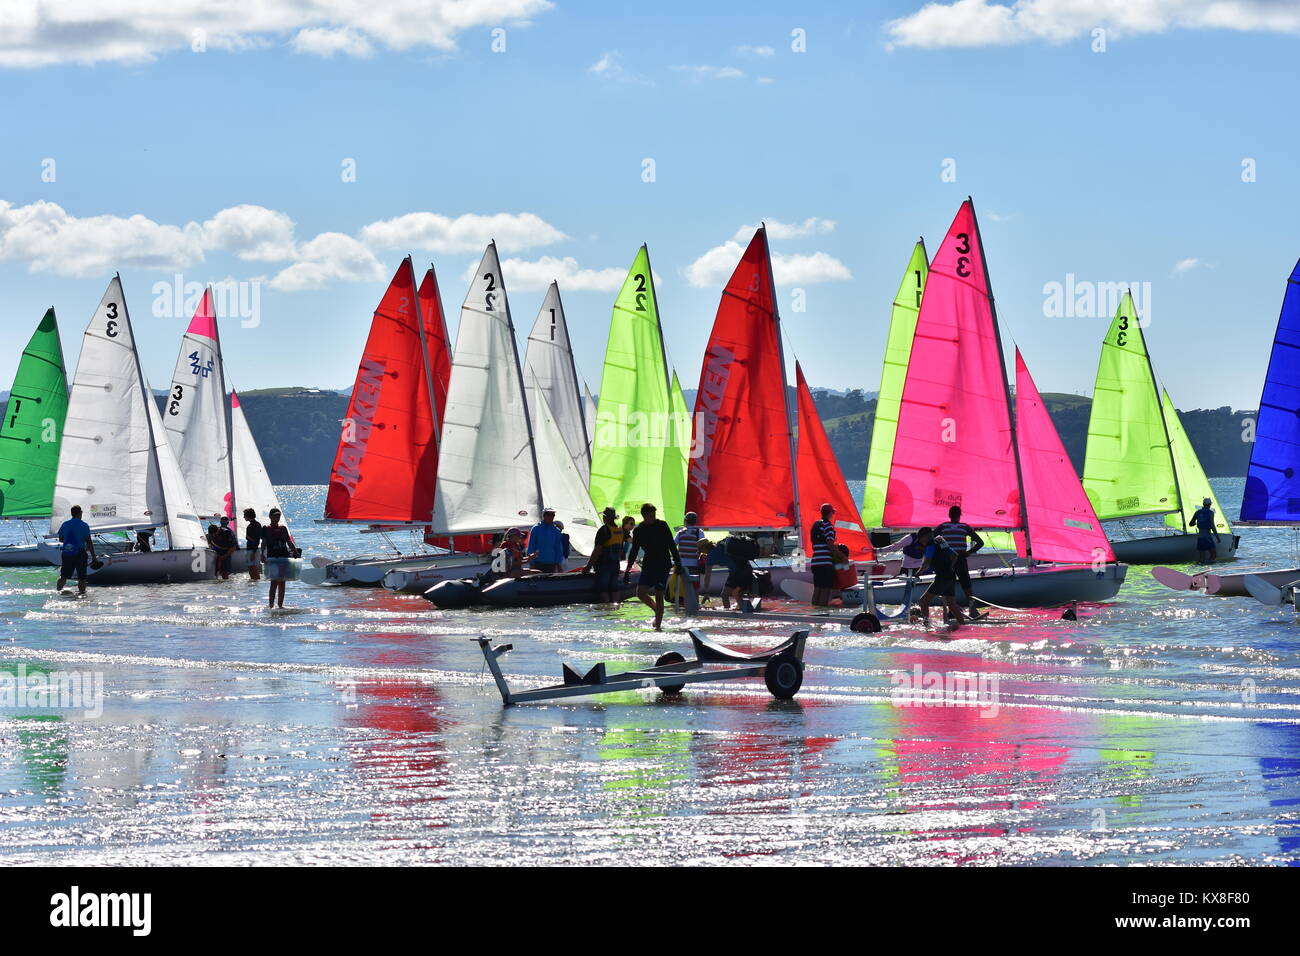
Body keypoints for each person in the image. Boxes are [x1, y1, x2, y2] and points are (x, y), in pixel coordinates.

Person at [623, 503, 682, 630]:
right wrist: (628, 569)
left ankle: (658, 627)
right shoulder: (639, 530)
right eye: (650, 516)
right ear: (644, 516)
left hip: (663, 563)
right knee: (640, 592)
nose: (653, 518)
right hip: (649, 563)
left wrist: (678, 563)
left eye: (654, 515)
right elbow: (634, 550)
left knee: (659, 594)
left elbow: (672, 545)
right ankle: (657, 610)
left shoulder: (662, 525)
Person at [934, 505, 985, 619]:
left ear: (949, 515)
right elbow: (980, 543)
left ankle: (951, 611)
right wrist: (969, 552)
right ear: (959, 515)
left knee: (948, 585)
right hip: (960, 558)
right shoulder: (964, 527)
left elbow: (933, 540)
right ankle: (973, 610)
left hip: (946, 559)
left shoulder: (942, 527)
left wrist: (941, 551)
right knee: (966, 585)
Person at [875, 526, 933, 614]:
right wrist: (878, 550)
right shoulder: (910, 538)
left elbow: (930, 558)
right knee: (903, 588)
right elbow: (895, 546)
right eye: (927, 537)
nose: (928, 540)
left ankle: (921, 607)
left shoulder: (930, 542)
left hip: (921, 569)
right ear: (921, 536)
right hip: (906, 569)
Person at [917, 534, 965, 632]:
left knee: (923, 601)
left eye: (921, 539)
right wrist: (949, 567)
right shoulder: (941, 543)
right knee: (951, 605)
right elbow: (955, 555)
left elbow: (927, 562)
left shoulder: (930, 546)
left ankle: (927, 627)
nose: (921, 542)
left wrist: (918, 573)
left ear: (924, 537)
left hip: (942, 578)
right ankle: (964, 626)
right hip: (951, 576)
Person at [55, 505, 98, 596]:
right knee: (82, 578)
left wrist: (70, 543)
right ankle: (82, 595)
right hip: (79, 553)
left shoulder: (65, 524)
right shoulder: (84, 525)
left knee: (64, 576)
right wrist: (94, 556)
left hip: (67, 553)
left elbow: (61, 538)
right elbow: (89, 541)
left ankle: (57, 592)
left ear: (71, 513)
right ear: (80, 513)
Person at [584, 508, 625, 603]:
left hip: (604, 566)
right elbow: (621, 550)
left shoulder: (604, 530)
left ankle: (606, 610)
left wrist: (588, 566)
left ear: (605, 518)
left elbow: (597, 550)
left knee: (603, 589)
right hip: (615, 565)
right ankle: (615, 608)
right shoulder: (620, 531)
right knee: (614, 588)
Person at [260, 508, 297, 609]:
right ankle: (271, 605)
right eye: (275, 516)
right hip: (273, 557)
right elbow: (264, 542)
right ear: (270, 516)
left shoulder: (283, 528)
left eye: (278, 516)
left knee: (282, 582)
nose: (277, 518)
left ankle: (280, 605)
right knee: (274, 582)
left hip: (284, 557)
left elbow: (289, 542)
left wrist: (295, 552)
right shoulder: (266, 528)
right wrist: (262, 554)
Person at [809, 502, 840, 606]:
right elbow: (830, 544)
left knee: (817, 589)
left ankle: (814, 612)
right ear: (830, 513)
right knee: (825, 589)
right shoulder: (828, 526)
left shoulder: (815, 525)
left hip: (815, 563)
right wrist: (842, 557)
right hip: (825, 563)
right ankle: (822, 612)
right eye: (832, 513)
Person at [673, 511, 706, 606]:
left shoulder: (680, 533)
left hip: (682, 565)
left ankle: (686, 606)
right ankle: (695, 605)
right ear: (695, 521)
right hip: (695, 564)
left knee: (685, 586)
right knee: (695, 586)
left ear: (685, 521)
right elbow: (703, 547)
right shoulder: (699, 532)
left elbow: (673, 545)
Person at [527, 508, 566, 573]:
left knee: (549, 583)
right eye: (548, 515)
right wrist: (532, 563)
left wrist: (558, 564)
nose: (551, 517)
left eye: (553, 515)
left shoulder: (556, 531)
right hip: (537, 562)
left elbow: (558, 549)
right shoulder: (536, 528)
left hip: (551, 563)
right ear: (544, 516)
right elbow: (531, 546)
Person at [1188, 497, 1221, 562]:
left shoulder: (1197, 512)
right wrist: (1217, 537)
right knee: (1213, 556)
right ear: (1210, 504)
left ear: (1203, 504)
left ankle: (1202, 567)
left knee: (1202, 558)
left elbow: (1190, 524)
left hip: (1200, 538)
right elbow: (1212, 525)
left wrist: (1195, 523)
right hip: (1207, 538)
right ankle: (1209, 567)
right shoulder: (1211, 513)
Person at [211, 515, 238, 580]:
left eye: (225, 520)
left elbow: (234, 547)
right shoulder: (215, 529)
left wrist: (224, 557)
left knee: (225, 573)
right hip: (215, 555)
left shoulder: (228, 532)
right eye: (222, 520)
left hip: (224, 555)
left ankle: (226, 587)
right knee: (216, 573)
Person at [243, 508, 263, 581]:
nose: (243, 517)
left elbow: (256, 539)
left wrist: (253, 552)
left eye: (244, 515)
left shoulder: (254, 525)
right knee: (251, 567)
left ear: (248, 515)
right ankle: (254, 581)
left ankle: (256, 581)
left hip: (252, 549)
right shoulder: (255, 524)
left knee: (252, 567)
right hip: (251, 548)